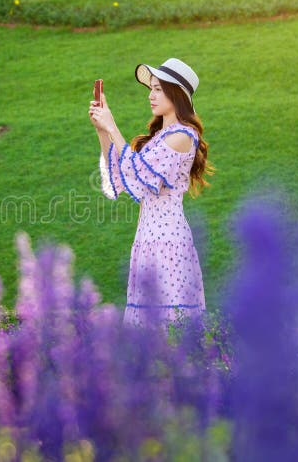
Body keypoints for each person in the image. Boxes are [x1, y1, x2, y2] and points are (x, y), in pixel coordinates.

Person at [88, 58, 213, 328]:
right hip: (147, 238)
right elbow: (119, 177)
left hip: (168, 239)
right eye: (151, 89)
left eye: (158, 89)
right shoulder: (158, 138)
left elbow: (138, 167)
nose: (151, 95)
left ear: (176, 94)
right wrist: (102, 131)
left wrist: (112, 127)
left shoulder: (184, 136)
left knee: (169, 323)